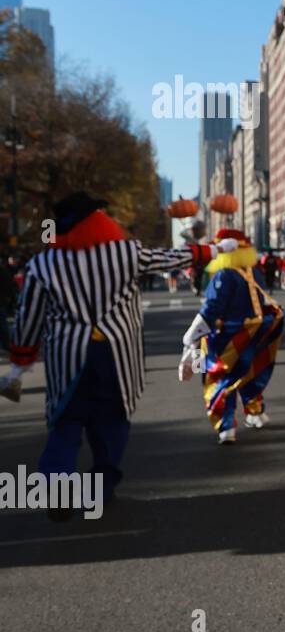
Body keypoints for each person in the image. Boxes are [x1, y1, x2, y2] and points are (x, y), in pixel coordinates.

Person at [0, 192, 236, 514]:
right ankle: (102, 486)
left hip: (67, 356)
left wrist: (20, 360)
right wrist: (215, 249)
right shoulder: (125, 252)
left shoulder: (43, 264)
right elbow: (169, 258)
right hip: (115, 353)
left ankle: (56, 488)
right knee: (111, 424)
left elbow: (30, 317)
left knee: (65, 423)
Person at [179, 228, 283, 445]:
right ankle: (256, 413)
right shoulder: (253, 272)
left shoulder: (224, 275)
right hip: (254, 332)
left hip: (227, 335)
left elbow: (211, 309)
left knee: (220, 379)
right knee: (248, 374)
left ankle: (226, 427)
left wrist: (190, 338)